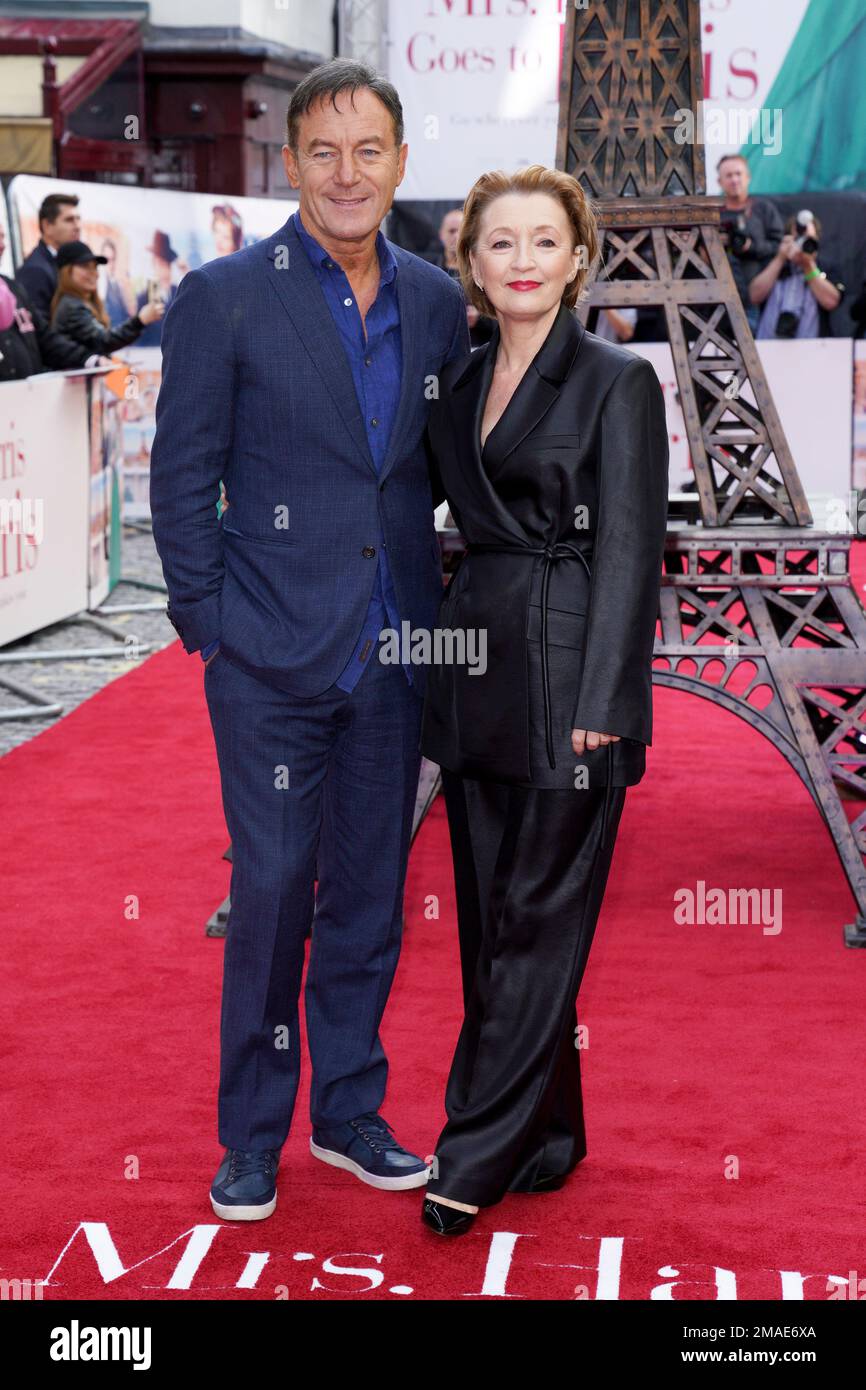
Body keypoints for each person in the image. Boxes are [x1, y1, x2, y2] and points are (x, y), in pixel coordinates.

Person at [149, 58, 469, 1222]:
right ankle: (250, 1135)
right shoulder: (226, 294)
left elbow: (446, 472)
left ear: (397, 162)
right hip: (268, 655)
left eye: (368, 150)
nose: (347, 173)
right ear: (291, 164)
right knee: (276, 889)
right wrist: (211, 627)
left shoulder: (435, 301)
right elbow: (180, 474)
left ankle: (347, 1110)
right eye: (322, 151)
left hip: (394, 655)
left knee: (372, 897)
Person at [418, 164, 669, 1235]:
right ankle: (547, 1132)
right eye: (499, 243)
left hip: (571, 680)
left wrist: (607, 694)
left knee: (532, 918)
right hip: (475, 672)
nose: (521, 261)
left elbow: (629, 549)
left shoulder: (617, 380)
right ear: (470, 264)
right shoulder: (457, 382)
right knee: (489, 921)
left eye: (541, 241)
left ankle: (469, 1144)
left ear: (576, 258)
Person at [0, 224, 107, 381]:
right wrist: (139, 321)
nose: (3, 244)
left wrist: (88, 360)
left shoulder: (13, 287)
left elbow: (46, 339)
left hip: (28, 396)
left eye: (3, 236)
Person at [50, 241, 164, 353]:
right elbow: (104, 341)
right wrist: (140, 321)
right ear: (67, 272)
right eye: (85, 266)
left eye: (94, 267)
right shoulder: (71, 307)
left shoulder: (80, 302)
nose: (95, 273)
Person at [716, 154, 784, 334]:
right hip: (720, 297)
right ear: (720, 181)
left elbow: (779, 246)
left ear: (748, 177)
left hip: (762, 296)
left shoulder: (763, 209)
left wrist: (750, 246)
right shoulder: (713, 214)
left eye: (738, 174)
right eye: (728, 176)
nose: (734, 180)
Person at [750, 211, 843, 339]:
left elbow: (831, 301)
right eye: (798, 239)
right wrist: (780, 258)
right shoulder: (773, 263)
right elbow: (754, 296)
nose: (802, 244)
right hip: (768, 346)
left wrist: (808, 267)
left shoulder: (825, 266)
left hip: (813, 348)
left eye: (808, 240)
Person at [433, 206, 494, 348]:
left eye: (460, 230)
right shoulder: (428, 273)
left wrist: (479, 318)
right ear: (441, 235)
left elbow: (504, 317)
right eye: (451, 231)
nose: (456, 236)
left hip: (480, 354)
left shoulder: (485, 271)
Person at [15, 192, 82, 319]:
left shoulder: (67, 262)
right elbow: (38, 328)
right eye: (69, 220)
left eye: (78, 219)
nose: (78, 226)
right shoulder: (35, 270)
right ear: (47, 226)